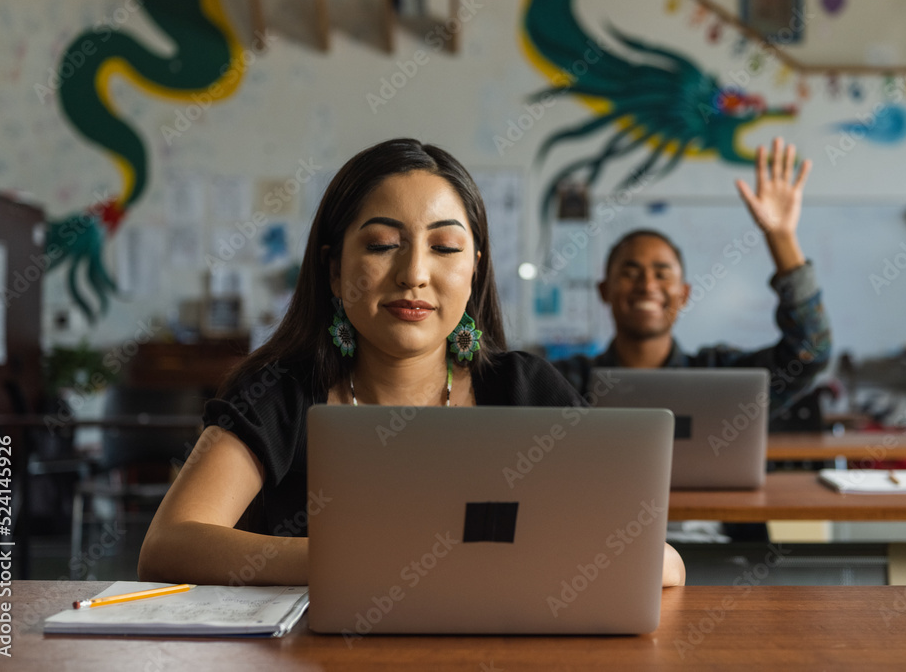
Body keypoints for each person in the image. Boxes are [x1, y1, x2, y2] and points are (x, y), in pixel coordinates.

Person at [139, 138, 686, 588]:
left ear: (474, 268)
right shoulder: (279, 391)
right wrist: (376, 564)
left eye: (445, 248)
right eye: (382, 244)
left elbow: (660, 563)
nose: (414, 273)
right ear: (334, 270)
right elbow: (169, 545)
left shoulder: (526, 390)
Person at [554, 137, 832, 412]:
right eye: (630, 272)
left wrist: (781, 238)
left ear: (684, 294)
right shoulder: (567, 383)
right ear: (604, 291)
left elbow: (809, 354)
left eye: (662, 274)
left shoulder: (718, 379)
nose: (647, 285)